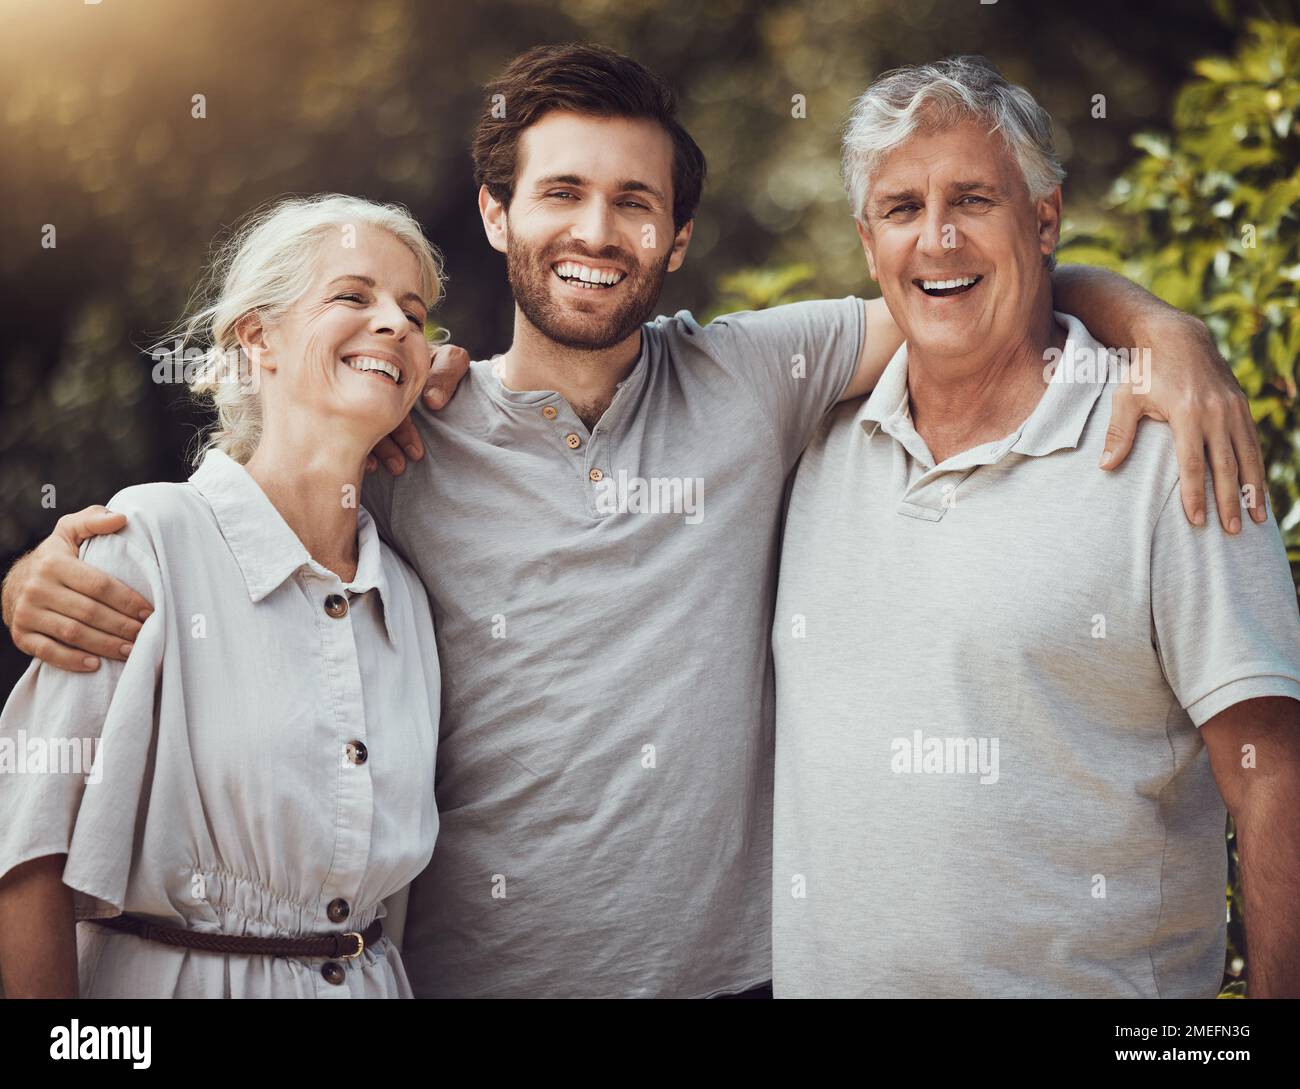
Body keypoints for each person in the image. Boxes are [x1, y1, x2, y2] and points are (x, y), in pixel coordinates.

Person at [1, 44, 1272, 998]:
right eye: (560, 194)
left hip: (732, 986)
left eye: (634, 204)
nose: (594, 233)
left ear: (675, 242)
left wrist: (1165, 331)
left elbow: (961, 283)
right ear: (498, 216)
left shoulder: (757, 376)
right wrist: (43, 574)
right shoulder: (404, 429)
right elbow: (244, 503)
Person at [772, 56, 1300, 998]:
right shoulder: (808, 437)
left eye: (972, 199)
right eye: (901, 210)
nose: (936, 239)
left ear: (1044, 219)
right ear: (867, 241)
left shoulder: (1172, 446)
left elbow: (1273, 773)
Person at [0, 194, 444, 998]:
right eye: (354, 296)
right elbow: (24, 852)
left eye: (414, 312)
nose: (397, 325)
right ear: (257, 336)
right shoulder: (146, 541)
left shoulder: (407, 599)